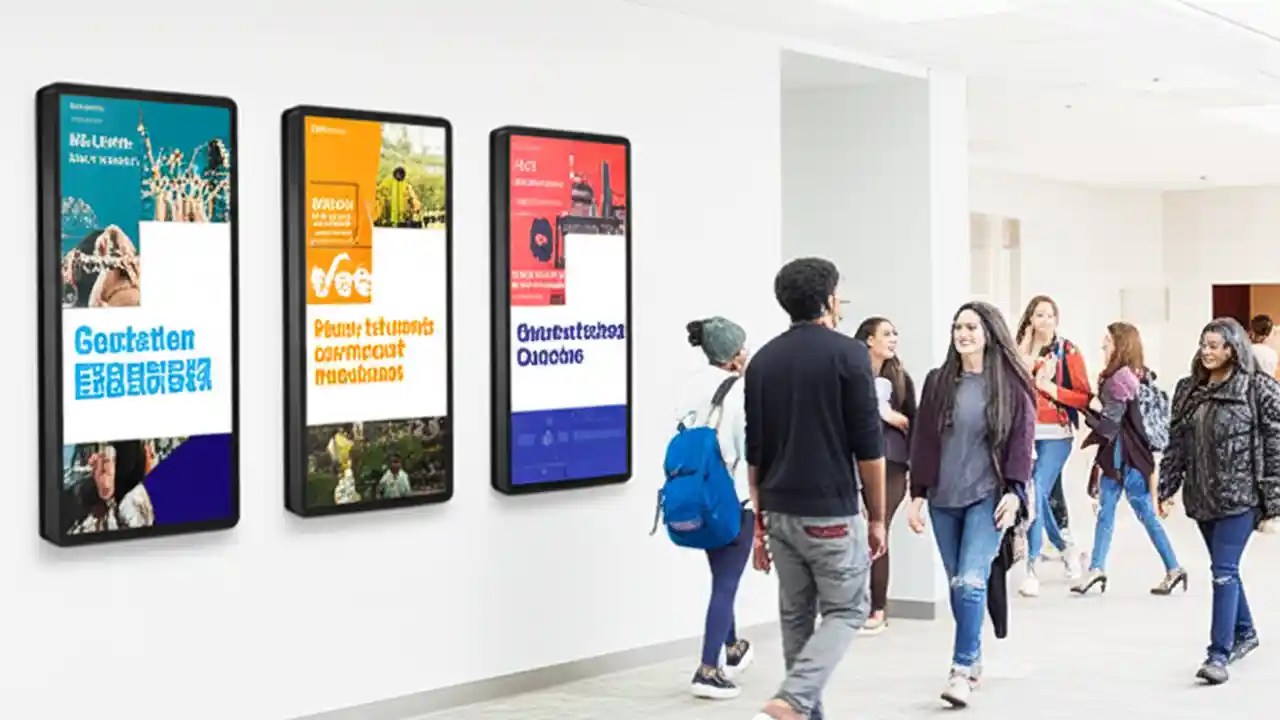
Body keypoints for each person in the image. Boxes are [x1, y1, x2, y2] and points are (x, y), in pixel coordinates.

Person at [745, 257, 886, 720]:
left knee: (796, 620)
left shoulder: (762, 360)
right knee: (849, 609)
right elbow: (869, 448)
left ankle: (800, 705)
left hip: (780, 512)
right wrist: (878, 516)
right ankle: (795, 697)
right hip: (829, 511)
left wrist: (760, 526)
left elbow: (755, 452)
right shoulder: (848, 355)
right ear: (828, 300)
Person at [907, 301, 1034, 709]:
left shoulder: (1011, 385)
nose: (963, 334)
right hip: (944, 498)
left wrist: (1015, 493)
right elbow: (923, 441)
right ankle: (974, 658)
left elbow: (1021, 443)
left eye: (971, 327)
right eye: (957, 327)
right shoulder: (938, 381)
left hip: (988, 497)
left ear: (989, 334)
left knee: (971, 581)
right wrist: (917, 495)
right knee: (957, 586)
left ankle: (961, 670)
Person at [1159, 317, 1280, 684]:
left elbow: (1275, 446)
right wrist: (1166, 488)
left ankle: (1218, 654)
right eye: (1204, 345)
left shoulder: (1257, 389)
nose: (1207, 352)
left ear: (1233, 348)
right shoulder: (1188, 390)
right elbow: (1176, 443)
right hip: (1201, 497)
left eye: (1215, 345)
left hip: (1240, 498)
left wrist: (1273, 505)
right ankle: (1246, 632)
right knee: (1224, 568)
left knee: (1223, 571)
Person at [1071, 322, 1186, 595]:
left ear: (1120, 345)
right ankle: (1098, 569)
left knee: (1139, 514)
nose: (1103, 346)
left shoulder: (1118, 380)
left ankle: (1173, 568)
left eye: (1107, 341)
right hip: (1131, 458)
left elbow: (1110, 426)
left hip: (1125, 460)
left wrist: (1084, 409)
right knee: (1110, 512)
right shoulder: (1137, 374)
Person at [677, 316, 756, 700]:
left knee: (722, 577)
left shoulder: (691, 386)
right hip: (734, 499)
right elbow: (748, 448)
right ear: (733, 355)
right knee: (726, 583)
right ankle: (708, 669)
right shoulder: (739, 391)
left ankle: (732, 647)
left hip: (699, 496)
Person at [1014, 295, 1087, 595]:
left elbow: (1083, 395)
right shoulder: (1018, 351)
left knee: (1036, 490)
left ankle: (1031, 567)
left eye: (1049, 315)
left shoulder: (1067, 350)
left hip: (1057, 432)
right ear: (1029, 319)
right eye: (1038, 315)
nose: (1043, 320)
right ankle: (1065, 548)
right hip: (1026, 433)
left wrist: (1051, 389)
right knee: (1035, 494)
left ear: (1057, 319)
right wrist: (1023, 352)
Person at [852, 317, 918, 635]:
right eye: (886, 334)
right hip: (852, 461)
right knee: (852, 533)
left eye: (895, 333)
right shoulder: (850, 375)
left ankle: (878, 607)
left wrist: (894, 417)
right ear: (868, 340)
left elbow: (916, 422)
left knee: (878, 531)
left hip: (891, 462)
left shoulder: (901, 378)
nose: (893, 339)